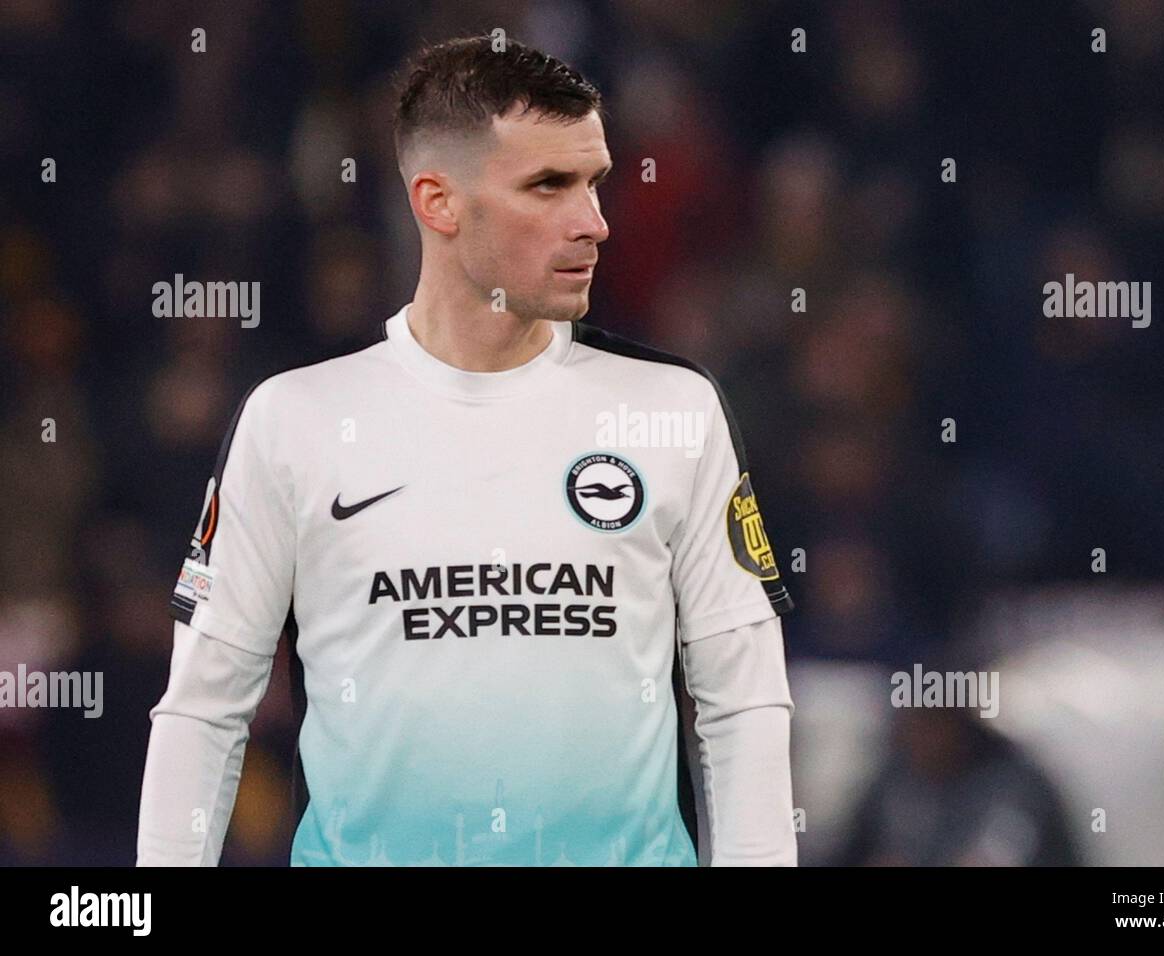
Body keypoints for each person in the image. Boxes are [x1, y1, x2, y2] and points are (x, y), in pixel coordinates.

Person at [137, 35, 797, 866]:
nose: (594, 223)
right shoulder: (296, 421)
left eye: (595, 183)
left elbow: (742, 699)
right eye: (549, 186)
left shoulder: (671, 409)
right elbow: (203, 709)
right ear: (437, 202)